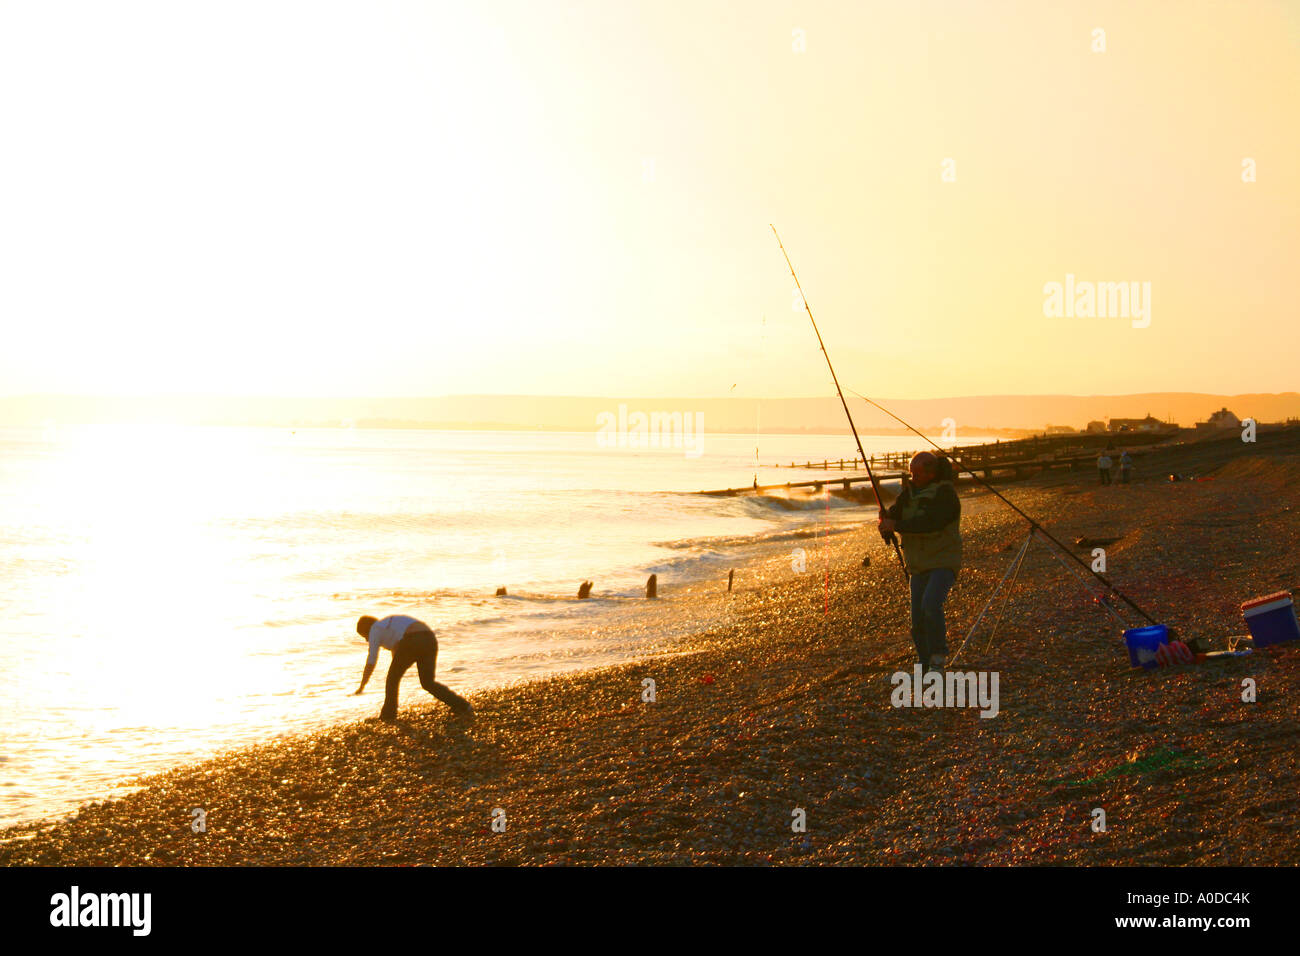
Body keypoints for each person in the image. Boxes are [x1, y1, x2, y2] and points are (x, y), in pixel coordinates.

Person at [879, 452, 962, 673]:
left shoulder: (946, 495)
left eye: (916, 475)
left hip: (944, 560)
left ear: (931, 473)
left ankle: (938, 657)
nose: (912, 479)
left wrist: (896, 524)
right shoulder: (908, 494)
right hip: (918, 563)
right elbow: (893, 516)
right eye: (911, 474)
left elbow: (931, 523)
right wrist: (885, 525)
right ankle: (924, 662)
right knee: (917, 620)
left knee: (930, 605)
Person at [354, 614, 473, 721]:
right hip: (429, 638)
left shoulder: (375, 629)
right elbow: (398, 649)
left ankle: (388, 716)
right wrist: (396, 667)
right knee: (428, 682)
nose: (366, 640)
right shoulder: (388, 624)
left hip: (412, 640)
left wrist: (362, 684)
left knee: (392, 680)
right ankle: (462, 706)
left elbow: (372, 659)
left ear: (367, 629)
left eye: (364, 636)